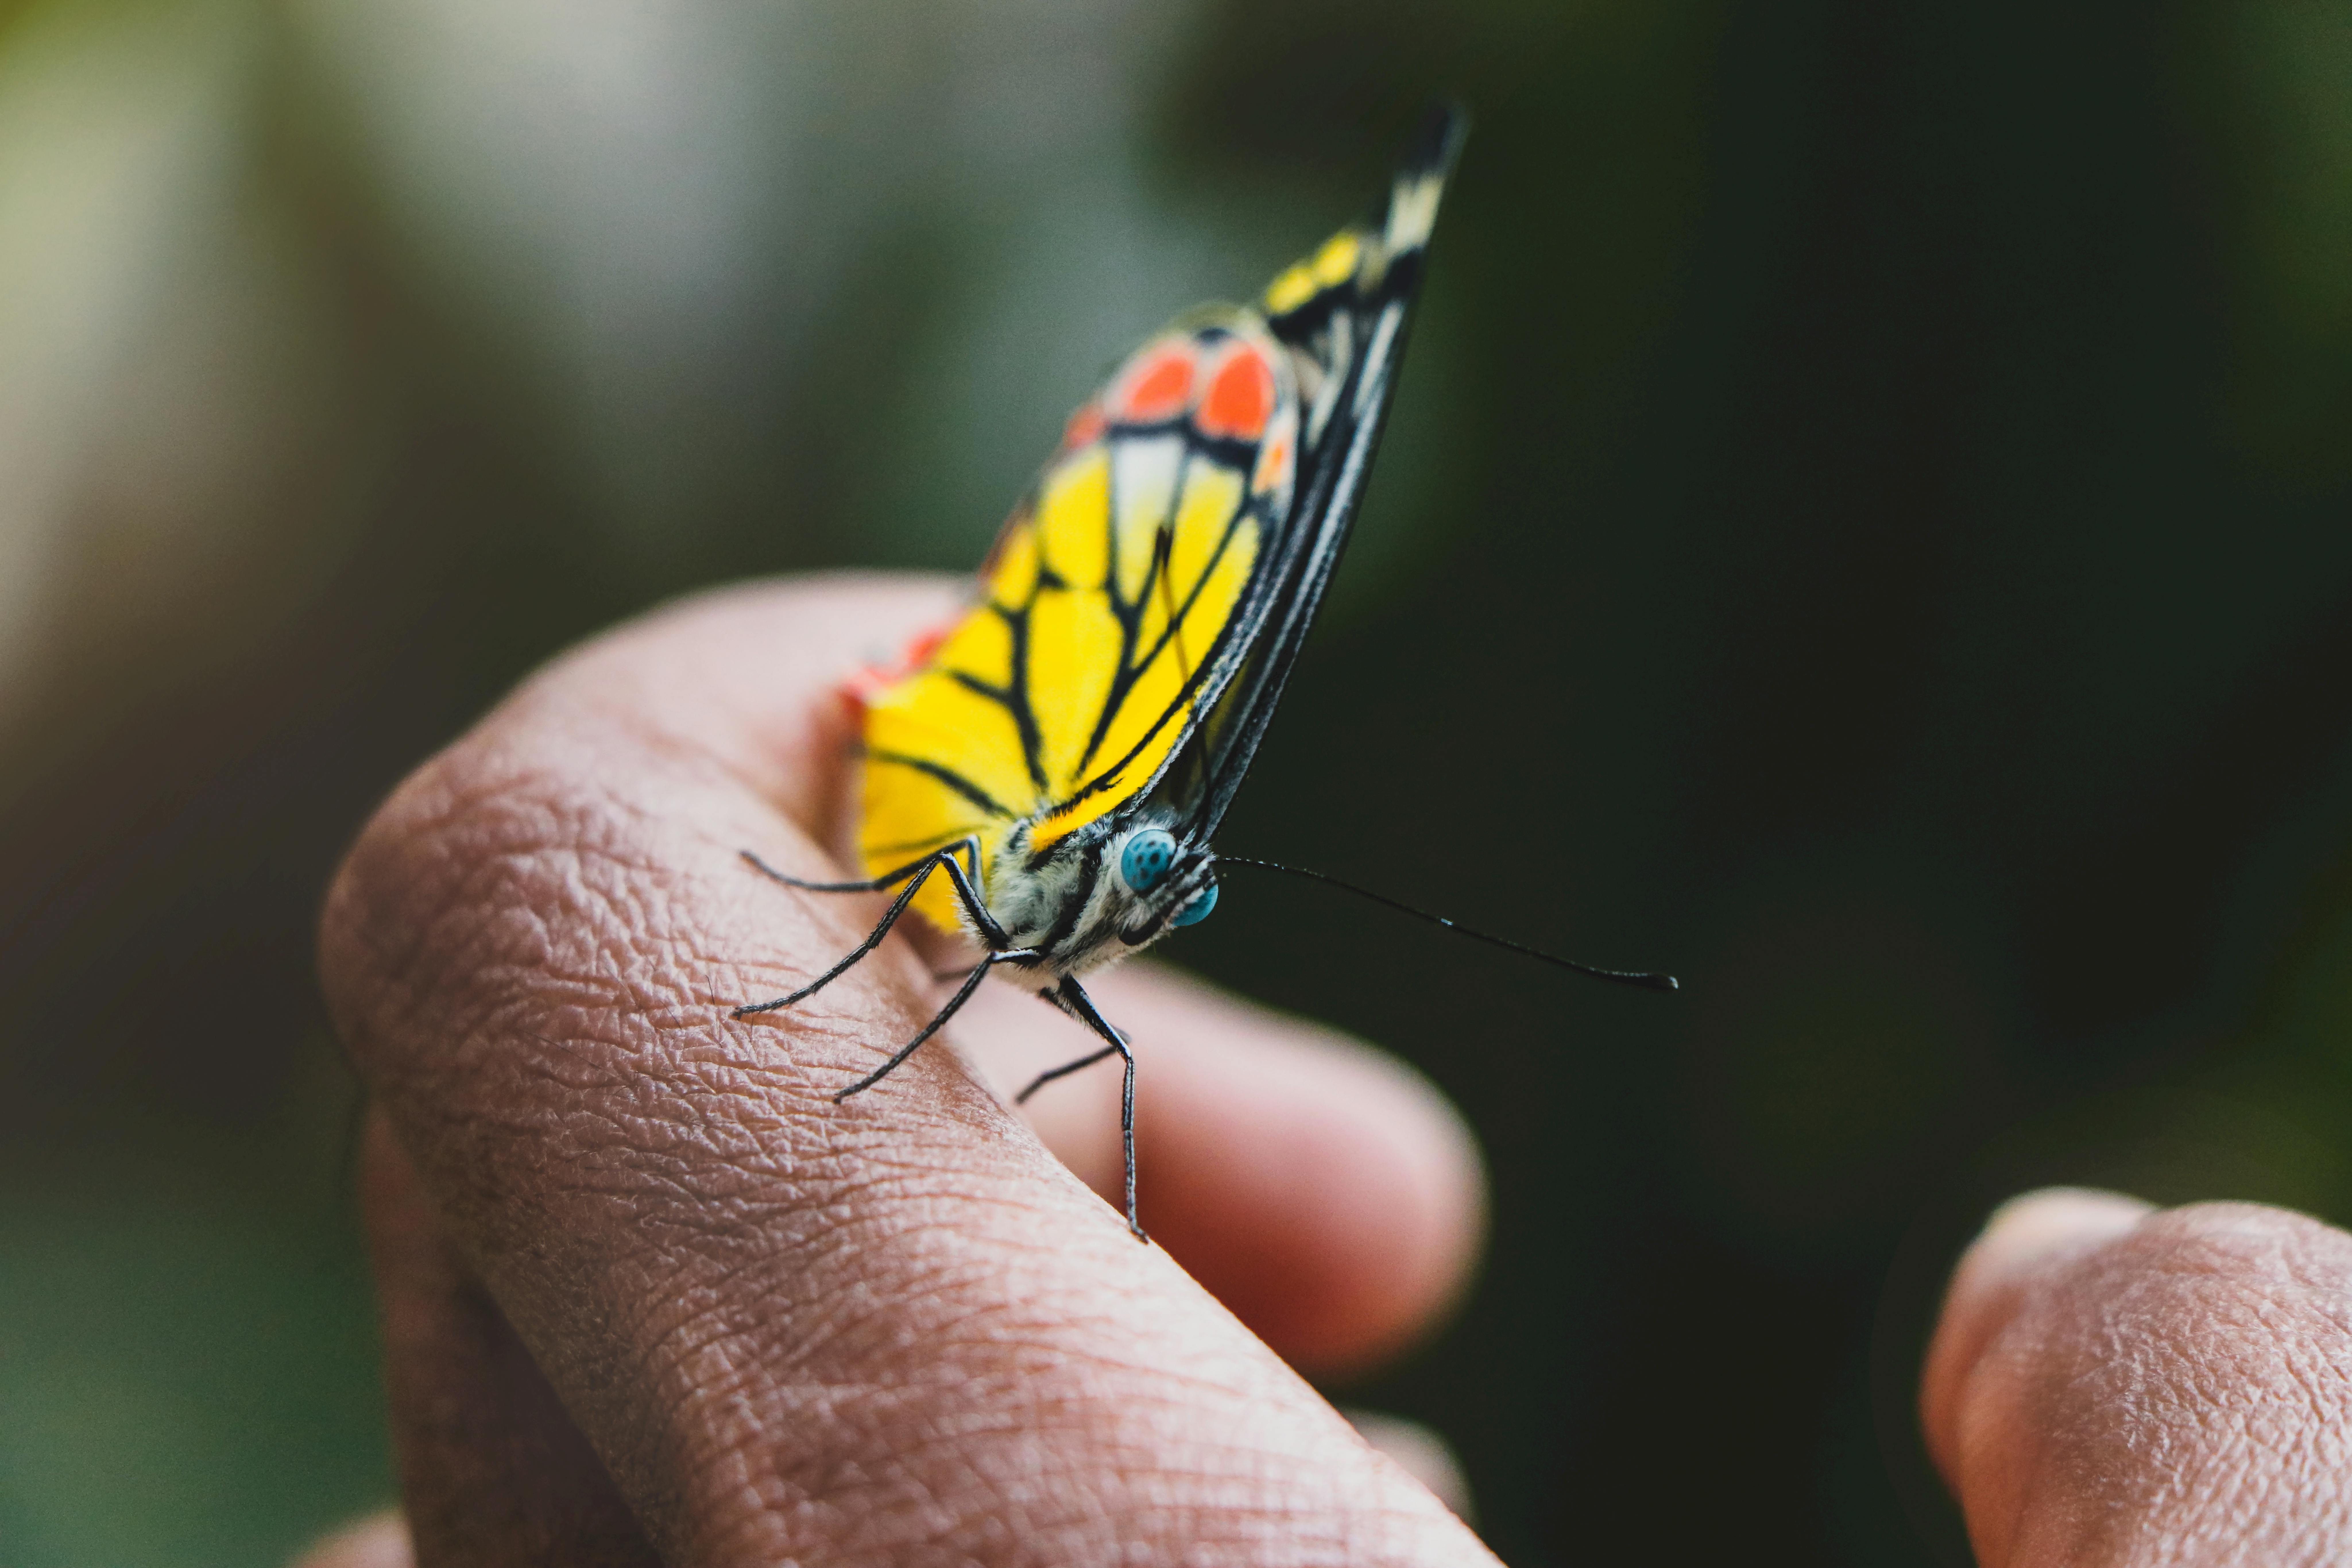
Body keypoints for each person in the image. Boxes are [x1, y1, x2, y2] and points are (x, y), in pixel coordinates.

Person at [305, 578, 2352, 1567]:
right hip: (881, 813)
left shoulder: (1112, 936)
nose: (1170, 892)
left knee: (1104, 1066)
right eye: (1162, 865)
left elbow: (1066, 1015)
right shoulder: (1053, 822)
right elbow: (961, 882)